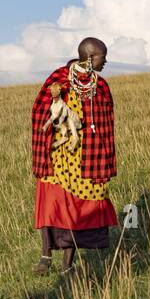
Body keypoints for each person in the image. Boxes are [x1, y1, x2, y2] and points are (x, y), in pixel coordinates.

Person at [30, 37, 118, 275]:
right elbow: (40, 112)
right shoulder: (58, 79)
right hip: (58, 156)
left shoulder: (100, 86)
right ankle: (45, 255)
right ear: (90, 58)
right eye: (102, 57)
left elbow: (106, 123)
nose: (105, 62)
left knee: (78, 209)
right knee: (52, 204)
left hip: (87, 158)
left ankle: (67, 264)